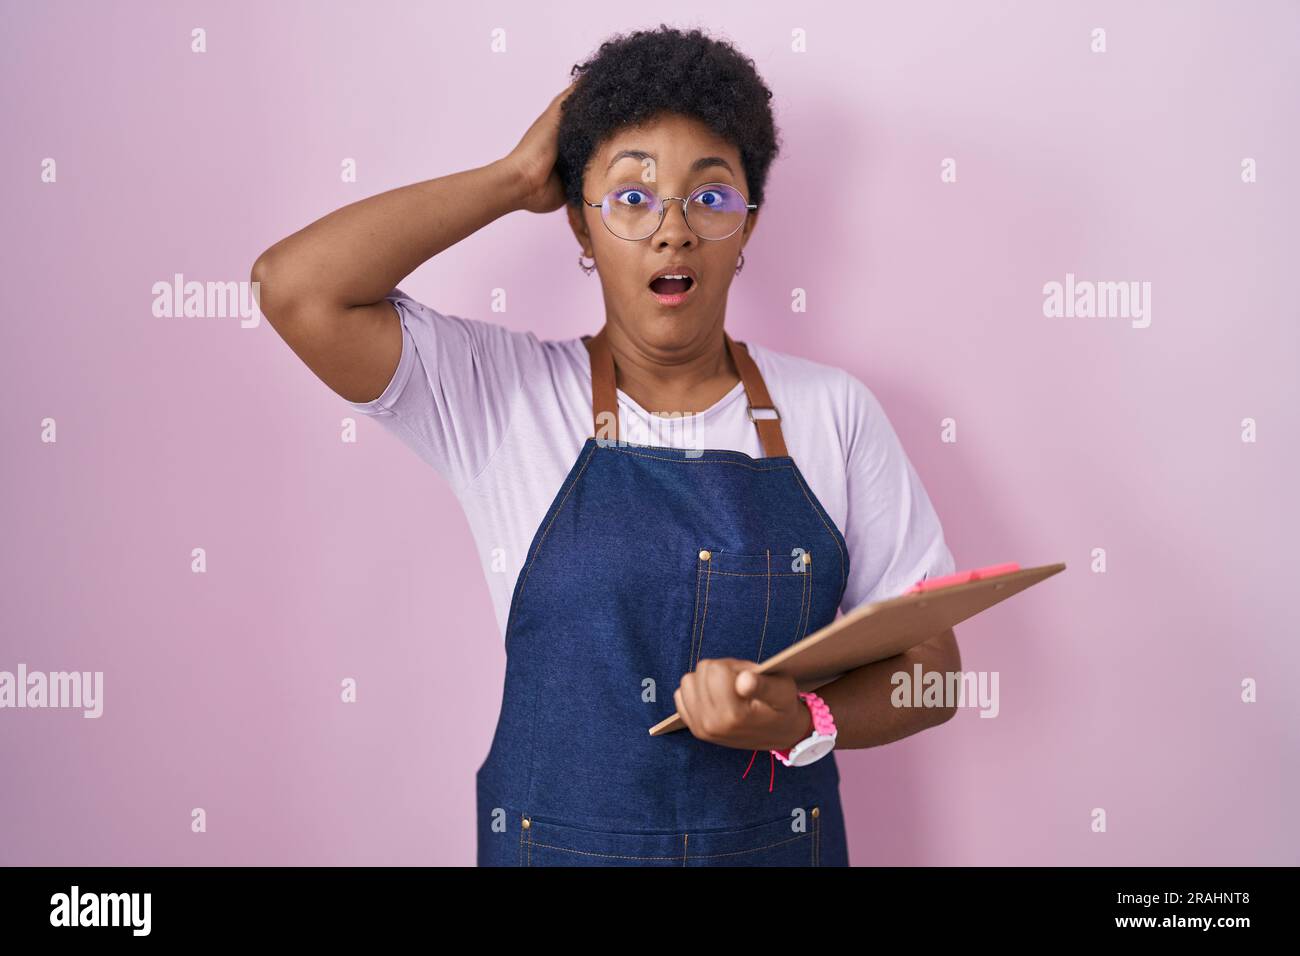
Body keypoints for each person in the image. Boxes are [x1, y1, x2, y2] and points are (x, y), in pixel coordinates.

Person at [252, 24, 961, 867]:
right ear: (582, 233)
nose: (672, 229)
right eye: (630, 197)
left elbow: (936, 672)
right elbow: (296, 288)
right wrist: (512, 180)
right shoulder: (502, 398)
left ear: (748, 227)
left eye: (710, 196)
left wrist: (805, 718)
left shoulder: (833, 413)